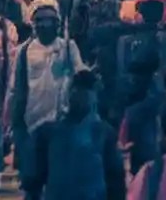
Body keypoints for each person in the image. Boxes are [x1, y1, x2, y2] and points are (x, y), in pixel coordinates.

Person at [5, 0, 87, 200]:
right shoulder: (24, 51)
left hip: (61, 126)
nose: (44, 25)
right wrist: (7, 124)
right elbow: (14, 89)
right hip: (32, 126)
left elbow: (80, 73)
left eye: (49, 20)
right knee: (32, 184)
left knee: (58, 184)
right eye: (39, 20)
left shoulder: (68, 47)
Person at [25, 69, 125, 200]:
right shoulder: (48, 133)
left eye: (83, 91)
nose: (78, 95)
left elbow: (34, 182)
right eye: (76, 91)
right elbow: (116, 182)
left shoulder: (104, 133)